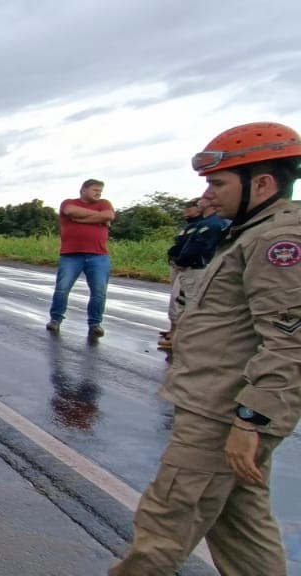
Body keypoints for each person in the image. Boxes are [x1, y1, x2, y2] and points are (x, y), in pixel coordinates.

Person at [110, 121, 301, 575]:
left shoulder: (278, 241)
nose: (208, 195)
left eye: (218, 183)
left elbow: (290, 340)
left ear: (263, 183)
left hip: (222, 414)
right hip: (219, 405)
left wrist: (249, 420)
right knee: (242, 532)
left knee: (163, 528)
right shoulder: (249, 232)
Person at [46, 179, 115, 338]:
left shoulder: (104, 203)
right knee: (62, 288)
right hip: (71, 255)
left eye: (100, 191)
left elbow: (110, 215)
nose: (98, 193)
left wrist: (82, 219)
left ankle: (95, 324)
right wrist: (99, 217)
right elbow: (71, 212)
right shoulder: (68, 202)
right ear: (83, 190)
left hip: (98, 255)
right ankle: (55, 319)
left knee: (99, 291)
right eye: (95, 190)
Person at [160, 196, 229, 350]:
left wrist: (182, 261)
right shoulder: (202, 224)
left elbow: (201, 248)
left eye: (202, 201)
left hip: (196, 267)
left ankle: (181, 339)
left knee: (186, 302)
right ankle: (177, 335)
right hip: (188, 266)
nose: (199, 203)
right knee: (180, 301)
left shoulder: (213, 224)